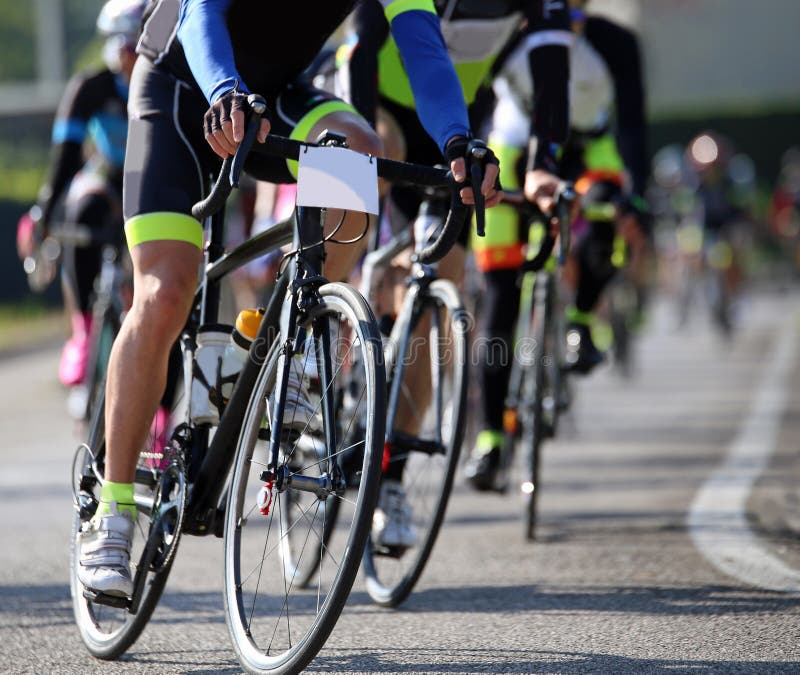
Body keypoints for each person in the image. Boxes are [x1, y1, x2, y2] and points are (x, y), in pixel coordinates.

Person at [78, 0, 500, 599]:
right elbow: (202, 13)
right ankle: (113, 515)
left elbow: (422, 46)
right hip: (180, 87)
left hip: (271, 94)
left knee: (359, 146)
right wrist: (224, 88)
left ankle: (300, 341)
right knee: (167, 291)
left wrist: (460, 141)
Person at [338, 0, 571, 545]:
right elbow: (361, 45)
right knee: (366, 170)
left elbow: (551, 80)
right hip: (377, 104)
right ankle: (321, 338)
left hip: (453, 122)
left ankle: (390, 477)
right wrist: (360, 136)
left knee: (440, 282)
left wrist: (543, 168)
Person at [465, 0, 650, 490]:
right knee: (501, 296)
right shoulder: (510, 35)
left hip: (588, 149)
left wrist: (635, 196)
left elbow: (628, 124)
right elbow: (476, 98)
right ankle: (490, 439)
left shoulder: (609, 48)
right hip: (511, 150)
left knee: (607, 215)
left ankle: (581, 321)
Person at [17, 0, 146, 389]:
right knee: (83, 205)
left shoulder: (166, 83)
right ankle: (84, 328)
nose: (127, 56)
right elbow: (66, 158)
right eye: (122, 46)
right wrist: (43, 212)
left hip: (149, 181)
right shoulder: (92, 88)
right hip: (108, 178)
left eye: (134, 47)